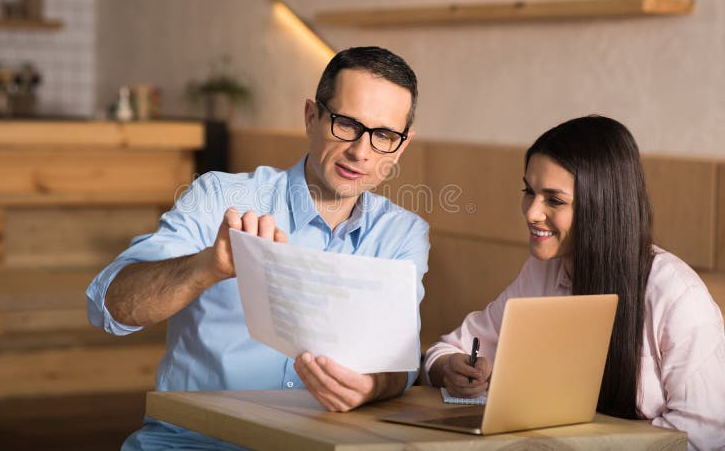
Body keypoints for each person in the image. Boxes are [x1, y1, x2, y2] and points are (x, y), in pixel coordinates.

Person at [86, 46, 430, 450]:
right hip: (197, 444)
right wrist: (206, 268)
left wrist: (372, 387)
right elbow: (109, 307)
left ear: (402, 145)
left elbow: (399, 363)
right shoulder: (218, 197)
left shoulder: (403, 234)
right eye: (347, 124)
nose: (361, 152)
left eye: (384, 136)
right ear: (311, 117)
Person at [424, 116, 725, 451]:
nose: (531, 212)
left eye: (554, 200)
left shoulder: (677, 295)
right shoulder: (541, 274)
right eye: (529, 192)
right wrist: (448, 370)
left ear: (603, 206)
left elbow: (704, 434)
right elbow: (446, 351)